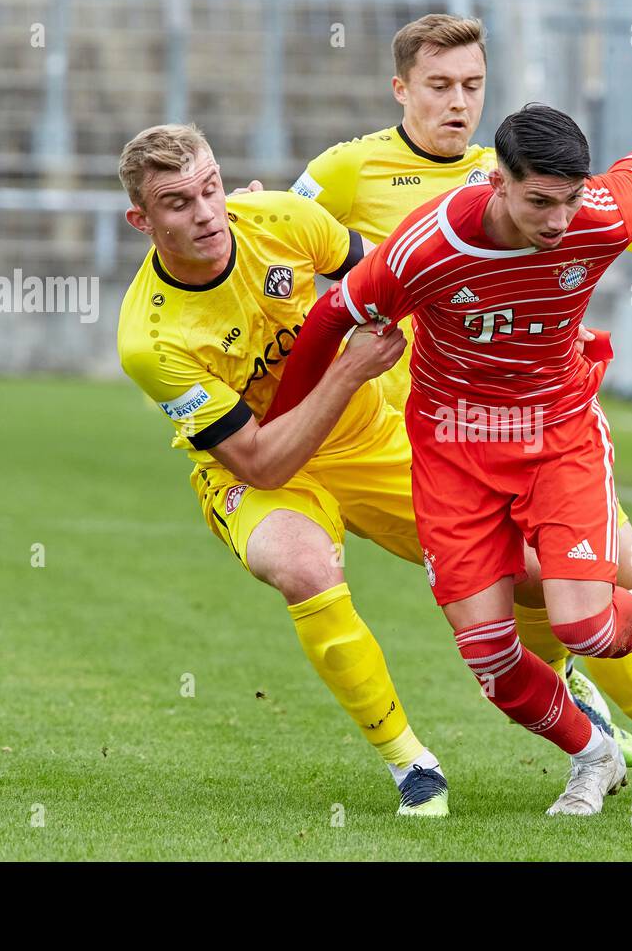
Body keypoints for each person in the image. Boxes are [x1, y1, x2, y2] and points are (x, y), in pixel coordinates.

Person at [245, 13, 632, 769]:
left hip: (545, 415)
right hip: (422, 434)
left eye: (473, 86)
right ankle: (609, 729)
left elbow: (616, 223)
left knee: (619, 581)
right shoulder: (351, 170)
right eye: (440, 86)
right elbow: (285, 246)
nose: (458, 102)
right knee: (516, 613)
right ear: (401, 89)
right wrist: (252, 219)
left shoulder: (522, 171)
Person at [115, 124, 450, 816]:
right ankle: (411, 764)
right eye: (178, 203)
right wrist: (353, 368)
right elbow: (263, 462)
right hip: (255, 473)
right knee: (303, 568)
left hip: (366, 437)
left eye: (210, 188)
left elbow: (390, 275)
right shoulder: (151, 340)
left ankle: (582, 690)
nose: (206, 211)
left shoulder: (284, 220)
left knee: (520, 569)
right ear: (141, 222)